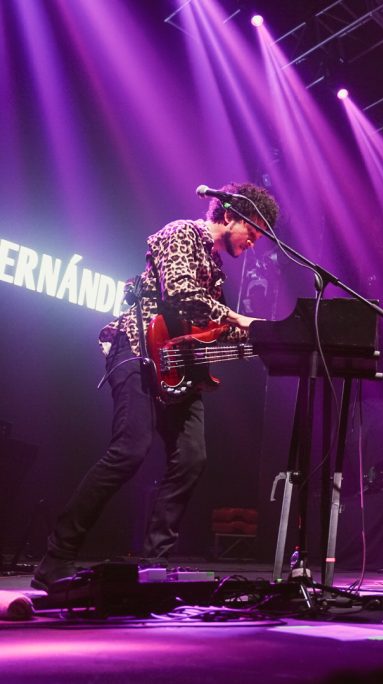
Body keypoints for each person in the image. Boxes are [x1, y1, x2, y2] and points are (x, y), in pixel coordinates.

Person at [31, 183, 279, 591]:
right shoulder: (181, 233)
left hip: (181, 367)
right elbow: (180, 293)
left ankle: (154, 563)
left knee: (192, 457)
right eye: (254, 229)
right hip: (139, 349)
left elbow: (205, 328)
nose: (256, 241)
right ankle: (56, 557)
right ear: (231, 215)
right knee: (129, 450)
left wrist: (274, 339)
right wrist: (240, 320)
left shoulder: (216, 269)